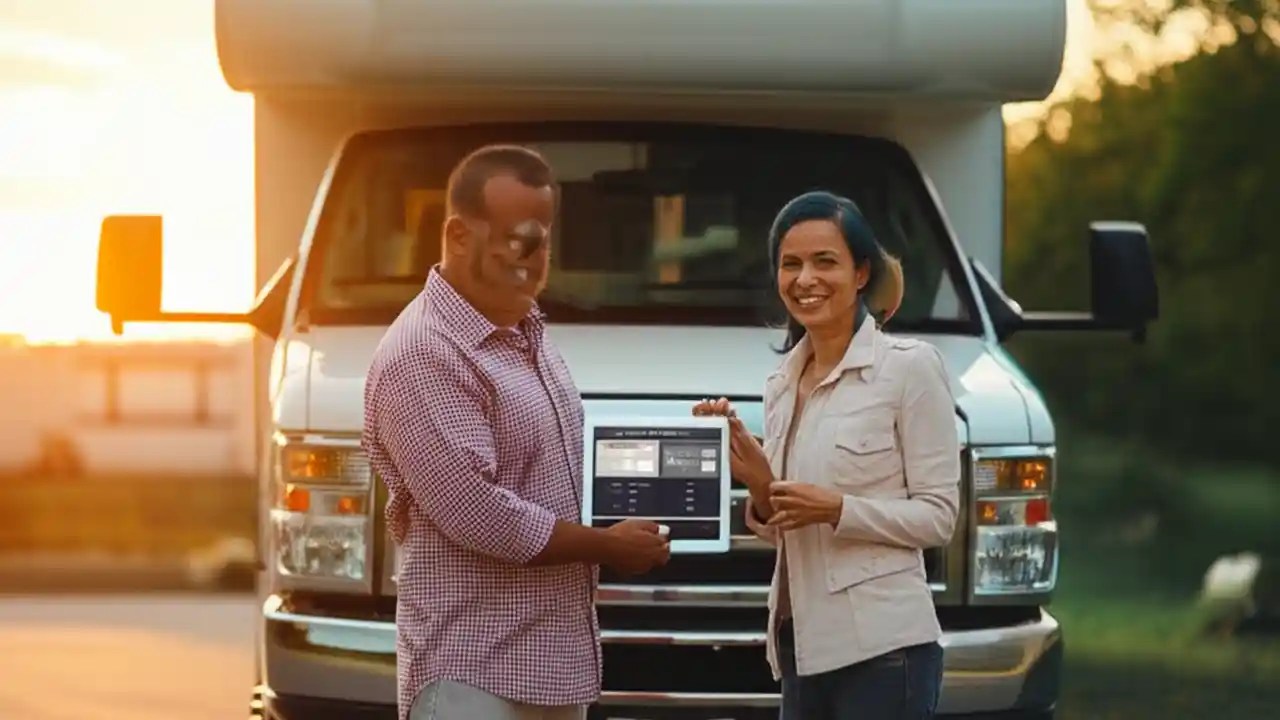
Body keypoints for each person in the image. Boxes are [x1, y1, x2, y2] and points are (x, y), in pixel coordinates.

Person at [363, 144, 671, 720]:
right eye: (520, 239)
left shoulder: (526, 328)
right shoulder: (423, 354)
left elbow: (553, 470)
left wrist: (675, 480)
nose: (536, 258)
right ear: (457, 236)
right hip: (472, 675)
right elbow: (481, 514)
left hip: (549, 667)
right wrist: (607, 546)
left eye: (545, 240)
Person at [693, 190, 960, 719]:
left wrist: (837, 508)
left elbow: (938, 518)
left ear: (861, 273)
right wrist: (758, 482)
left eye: (825, 261)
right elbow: (783, 524)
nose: (805, 279)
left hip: (885, 652)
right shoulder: (780, 385)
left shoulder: (910, 369)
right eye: (790, 264)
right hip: (800, 647)